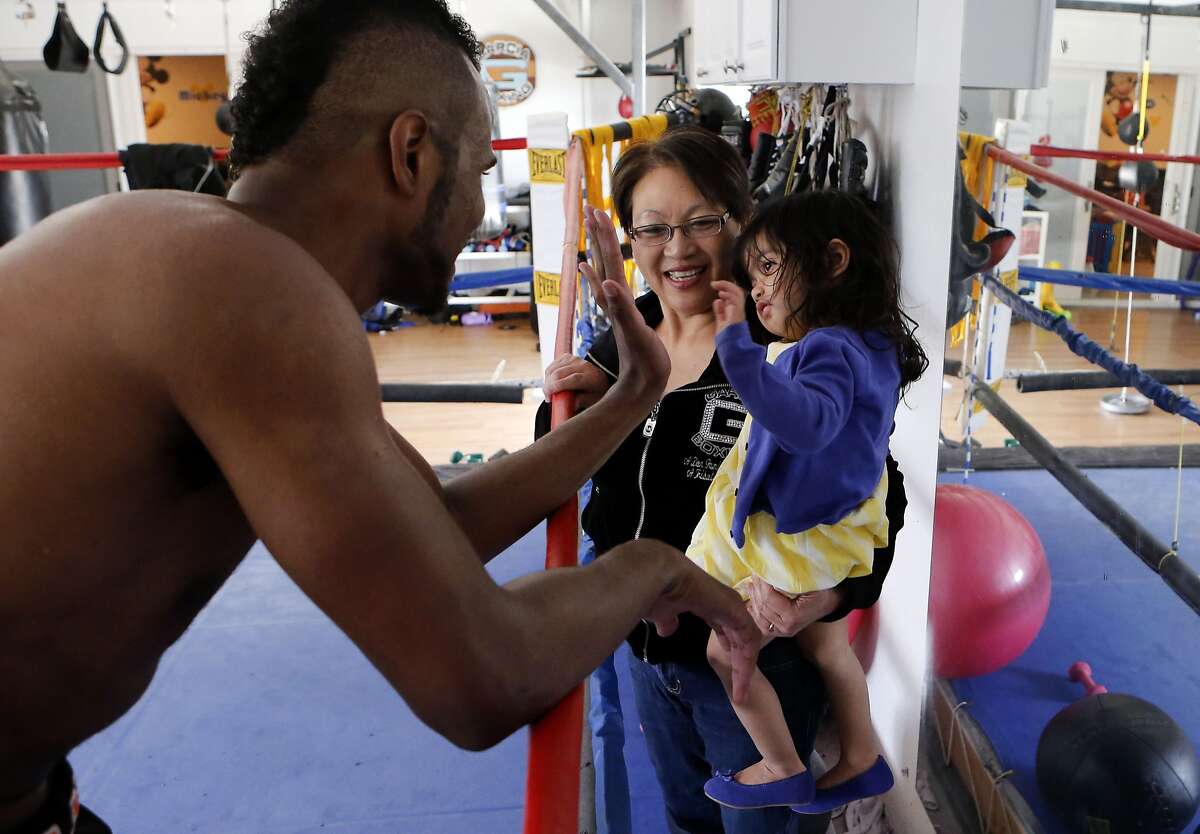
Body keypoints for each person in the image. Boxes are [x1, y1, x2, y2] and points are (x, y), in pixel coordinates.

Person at [0, 3, 763, 832]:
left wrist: (632, 395)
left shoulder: (196, 251)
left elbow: (445, 525)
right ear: (411, 153)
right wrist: (654, 567)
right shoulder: (242, 288)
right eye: (478, 171)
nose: (478, 210)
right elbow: (483, 677)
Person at [540, 127, 910, 834]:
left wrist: (830, 598)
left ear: (740, 224)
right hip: (649, 653)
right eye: (653, 228)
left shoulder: (787, 341)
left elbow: (874, 493)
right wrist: (588, 399)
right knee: (688, 818)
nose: (676, 250)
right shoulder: (626, 334)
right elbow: (574, 472)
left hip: (755, 660)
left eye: (701, 222)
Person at [692, 190, 929, 813]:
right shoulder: (872, 346)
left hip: (802, 535)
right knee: (827, 646)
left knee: (725, 647)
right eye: (752, 273)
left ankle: (781, 766)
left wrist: (740, 354)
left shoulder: (828, 348)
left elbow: (807, 424)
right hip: (838, 526)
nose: (757, 288)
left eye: (770, 267)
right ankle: (861, 758)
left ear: (833, 261)